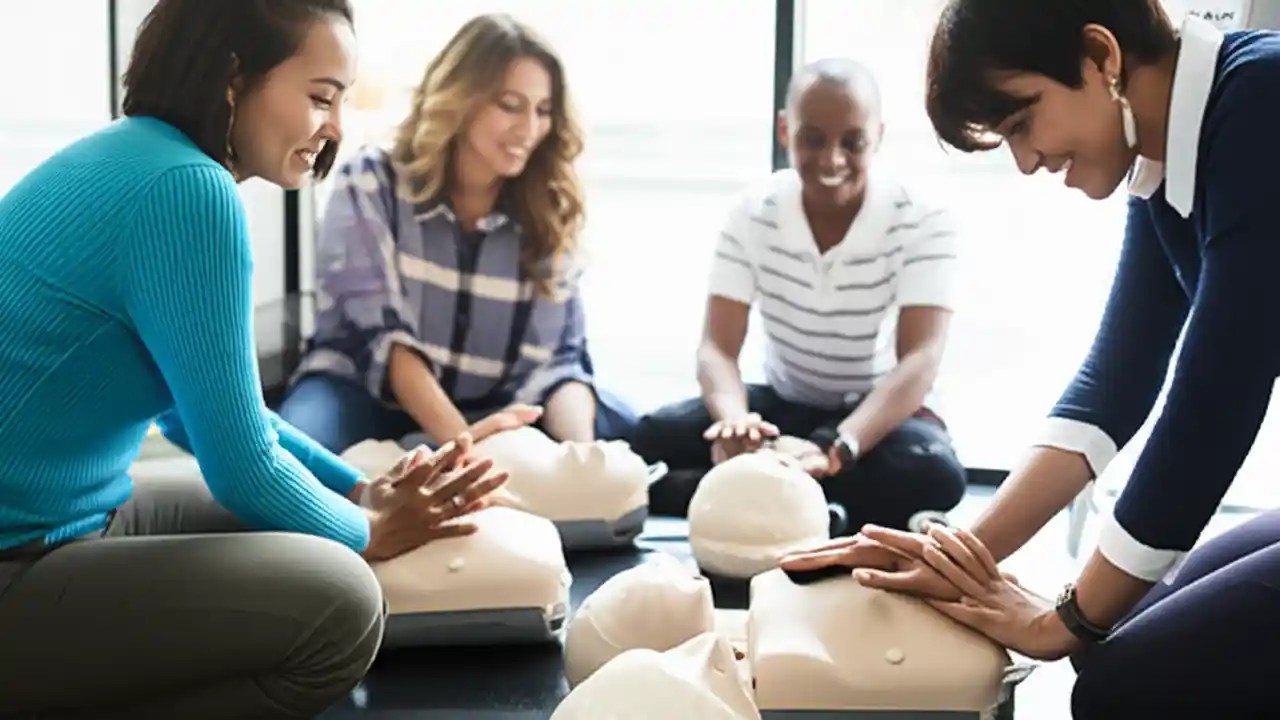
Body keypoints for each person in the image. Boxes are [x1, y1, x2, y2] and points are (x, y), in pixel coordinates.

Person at [0, 2, 506, 717]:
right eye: (320, 97)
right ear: (234, 80)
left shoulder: (139, 156)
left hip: (68, 520)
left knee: (311, 523)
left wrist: (356, 491)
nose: (334, 127)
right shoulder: (188, 192)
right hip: (16, 566)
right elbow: (241, 466)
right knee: (344, 601)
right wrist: (368, 531)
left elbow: (197, 419)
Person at [782, 2, 1280, 716]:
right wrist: (953, 555)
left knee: (1122, 685)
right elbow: (1115, 384)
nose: (1026, 161)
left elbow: (1214, 406)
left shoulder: (1260, 102)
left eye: (1021, 121)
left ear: (1101, 57)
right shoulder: (1168, 149)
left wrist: (1065, 621)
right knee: (1133, 633)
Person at [630, 58, 967, 531]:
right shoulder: (751, 213)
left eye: (853, 142)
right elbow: (716, 348)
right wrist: (736, 423)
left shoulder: (923, 220)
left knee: (937, 474)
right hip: (780, 407)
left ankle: (749, 492)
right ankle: (815, 502)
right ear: (785, 130)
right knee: (647, 436)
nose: (832, 160)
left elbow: (920, 361)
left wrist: (839, 445)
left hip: (871, 416)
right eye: (813, 139)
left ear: (879, 137)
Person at [278, 13, 638, 455]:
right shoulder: (371, 182)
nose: (529, 130)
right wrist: (463, 447)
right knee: (294, 449)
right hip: (359, 394)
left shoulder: (548, 210)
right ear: (460, 99)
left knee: (633, 430)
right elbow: (381, 337)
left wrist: (581, 457)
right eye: (510, 105)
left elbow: (558, 364)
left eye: (543, 111)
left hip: (497, 407)